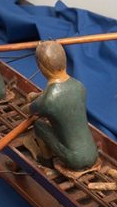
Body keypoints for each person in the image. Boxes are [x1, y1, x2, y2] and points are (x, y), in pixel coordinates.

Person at [27, 41, 98, 171]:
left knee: (38, 125)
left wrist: (32, 100)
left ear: (41, 67)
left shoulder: (48, 100)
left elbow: (31, 110)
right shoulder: (79, 86)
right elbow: (63, 99)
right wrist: (38, 95)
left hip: (73, 159)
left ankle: (46, 160)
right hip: (92, 153)